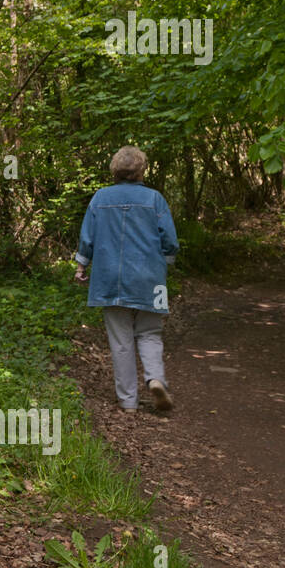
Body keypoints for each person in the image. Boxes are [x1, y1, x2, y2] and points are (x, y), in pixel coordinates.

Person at [73, 146, 179, 414]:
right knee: (151, 333)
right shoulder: (155, 199)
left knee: (121, 340)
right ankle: (155, 379)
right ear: (141, 169)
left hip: (110, 278)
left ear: (115, 169)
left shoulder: (100, 198)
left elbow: (88, 238)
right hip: (151, 279)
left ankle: (128, 402)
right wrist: (164, 264)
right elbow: (169, 240)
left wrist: (81, 265)